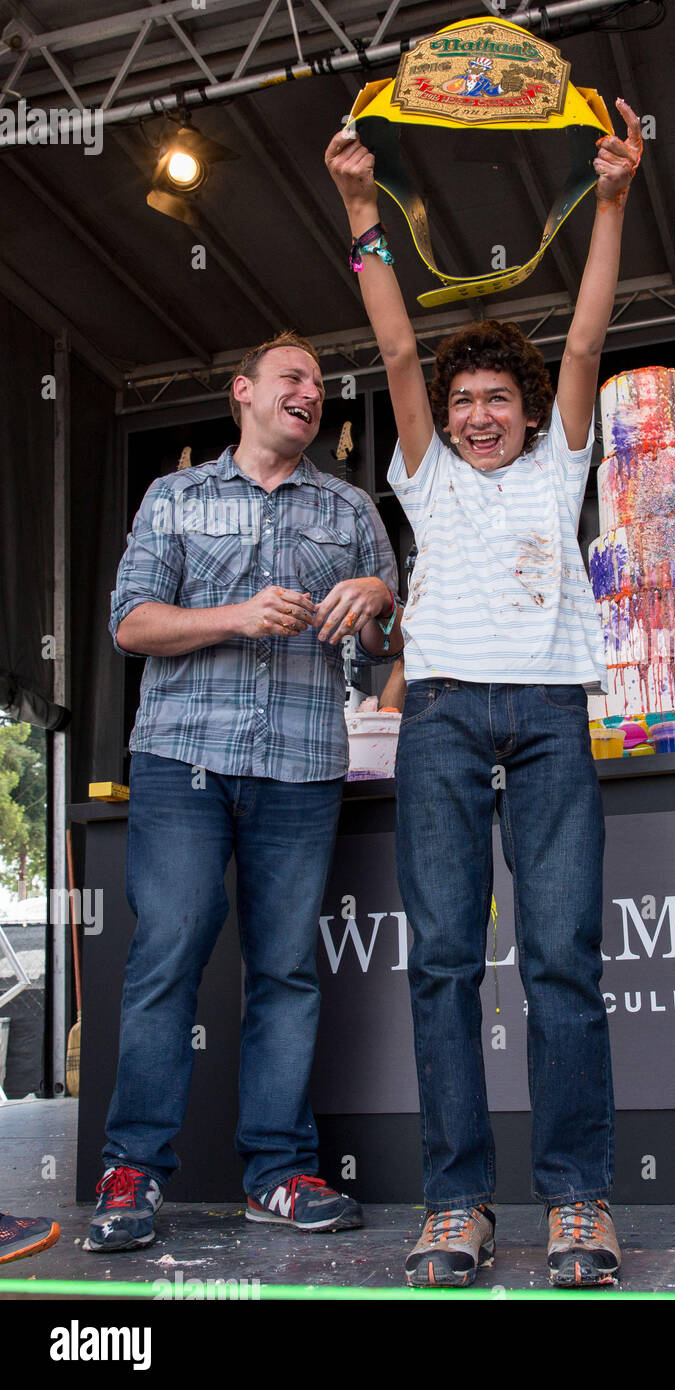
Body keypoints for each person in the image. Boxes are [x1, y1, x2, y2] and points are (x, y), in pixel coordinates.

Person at [324, 98, 641, 1289]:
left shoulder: (562, 457)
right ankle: (456, 1206)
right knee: (445, 963)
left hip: (551, 714)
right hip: (443, 717)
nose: (478, 413)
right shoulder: (425, 476)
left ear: (523, 404)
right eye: (463, 404)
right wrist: (364, 213)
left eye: (494, 397)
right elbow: (401, 348)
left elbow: (587, 339)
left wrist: (609, 203)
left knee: (562, 960)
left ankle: (577, 1204)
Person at [93, 333, 402, 1252]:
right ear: (244, 393)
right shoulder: (174, 496)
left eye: (319, 384)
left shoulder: (351, 511)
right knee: (168, 957)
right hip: (182, 763)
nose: (312, 391)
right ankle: (132, 1171)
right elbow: (130, 624)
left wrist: (381, 607)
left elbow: (383, 654)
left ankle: (279, 1168)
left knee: (285, 973)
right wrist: (238, 615)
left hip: (302, 769)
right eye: (293, 377)